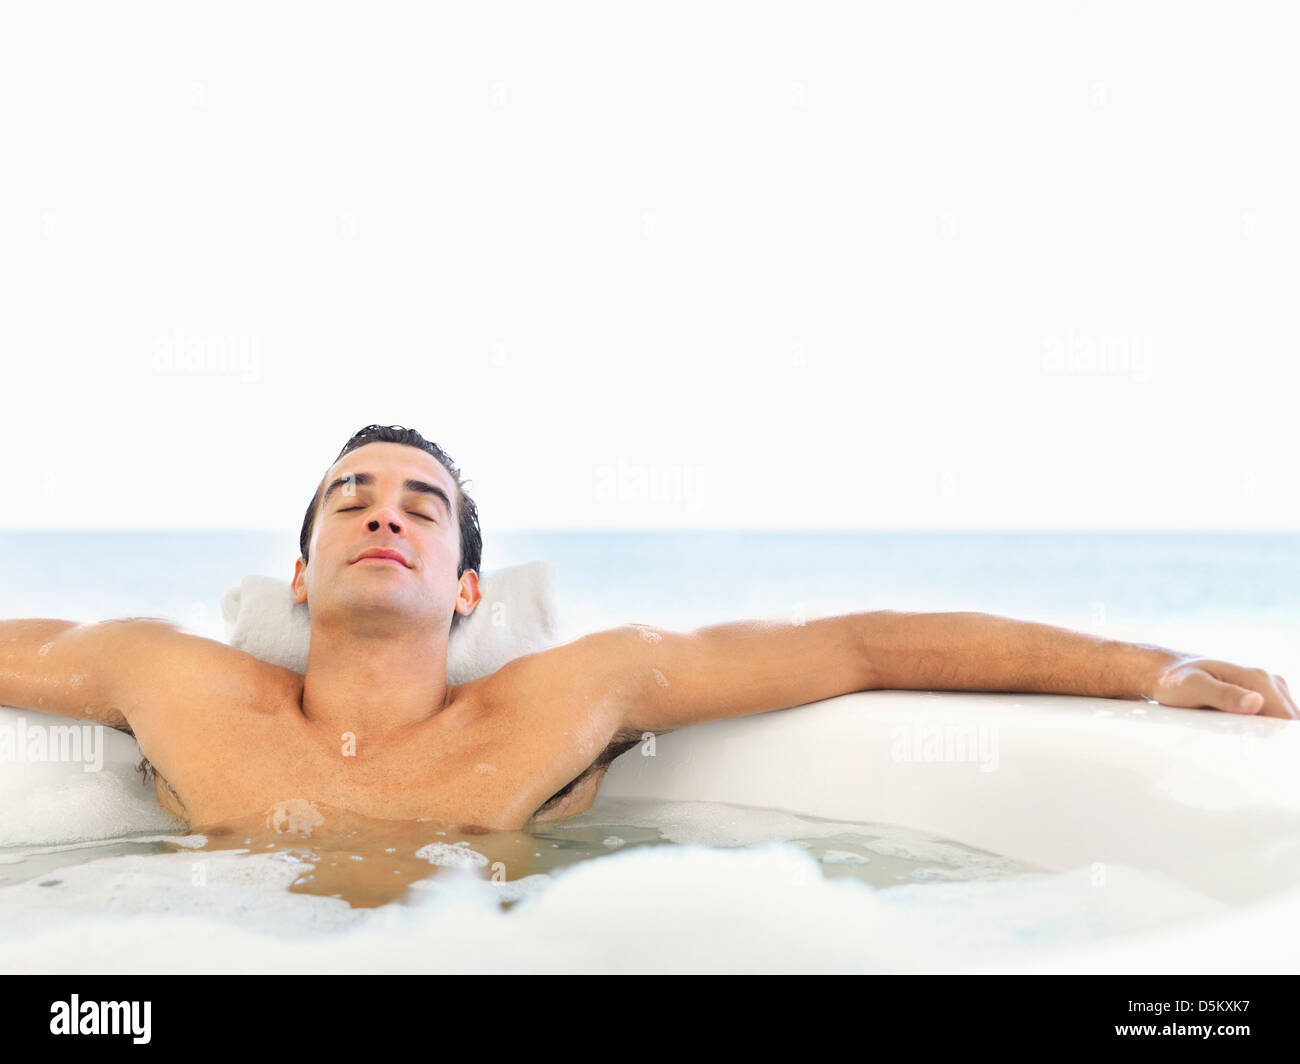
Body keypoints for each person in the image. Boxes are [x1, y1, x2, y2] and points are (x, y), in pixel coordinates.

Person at [4, 424, 1295, 839]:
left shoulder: (572, 696)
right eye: (350, 498)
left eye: (422, 507)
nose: (381, 517)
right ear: (300, 571)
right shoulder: (160, 677)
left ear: (466, 584)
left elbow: (861, 645)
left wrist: (1149, 666)